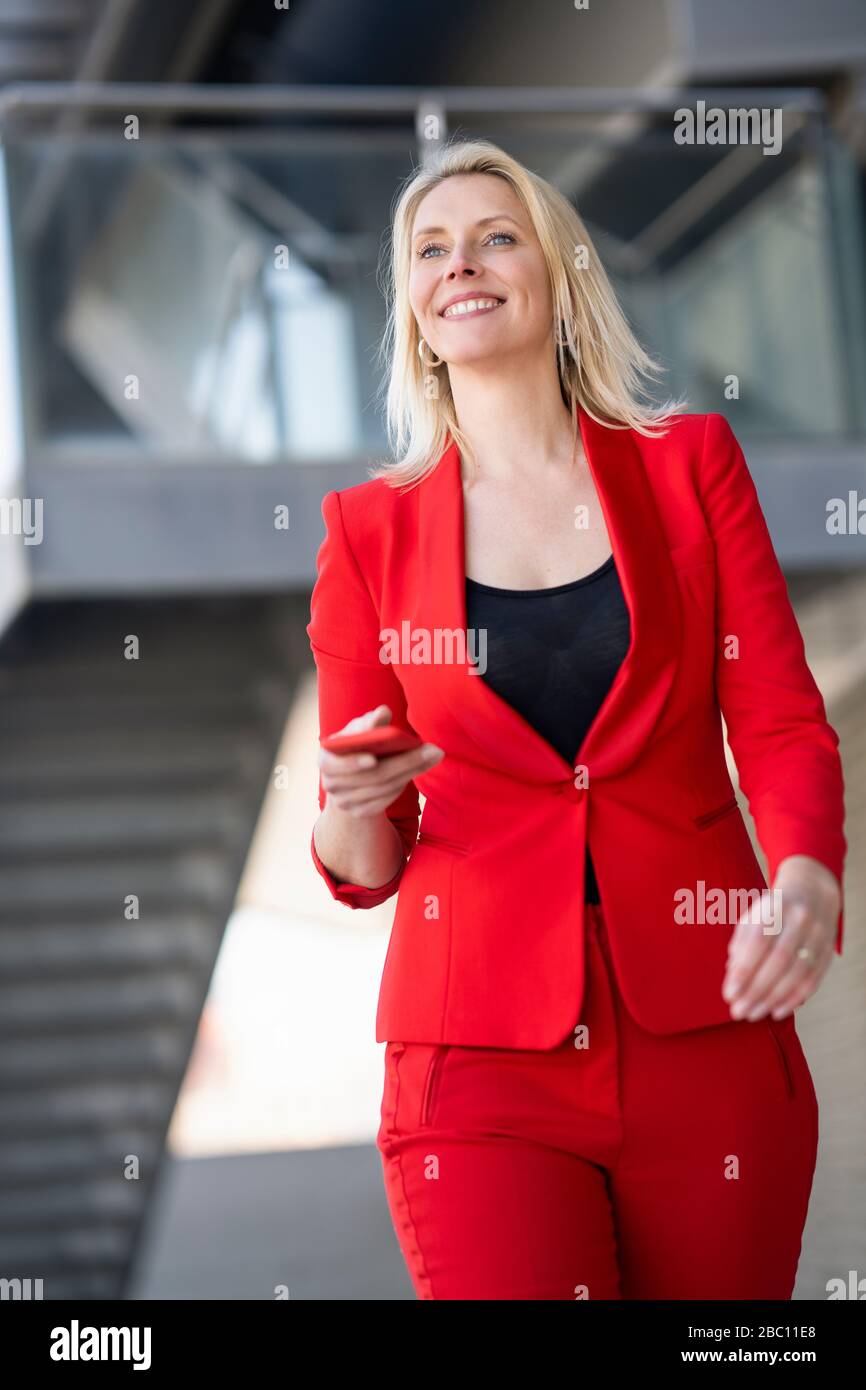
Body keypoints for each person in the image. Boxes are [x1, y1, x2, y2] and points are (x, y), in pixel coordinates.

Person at [306, 139, 846, 1300]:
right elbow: (362, 860)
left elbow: (777, 717)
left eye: (496, 235)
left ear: (558, 276)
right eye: (430, 248)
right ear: (410, 303)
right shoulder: (364, 533)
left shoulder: (688, 465)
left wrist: (803, 873)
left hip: (706, 1030)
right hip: (480, 1061)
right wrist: (349, 807)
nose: (462, 262)